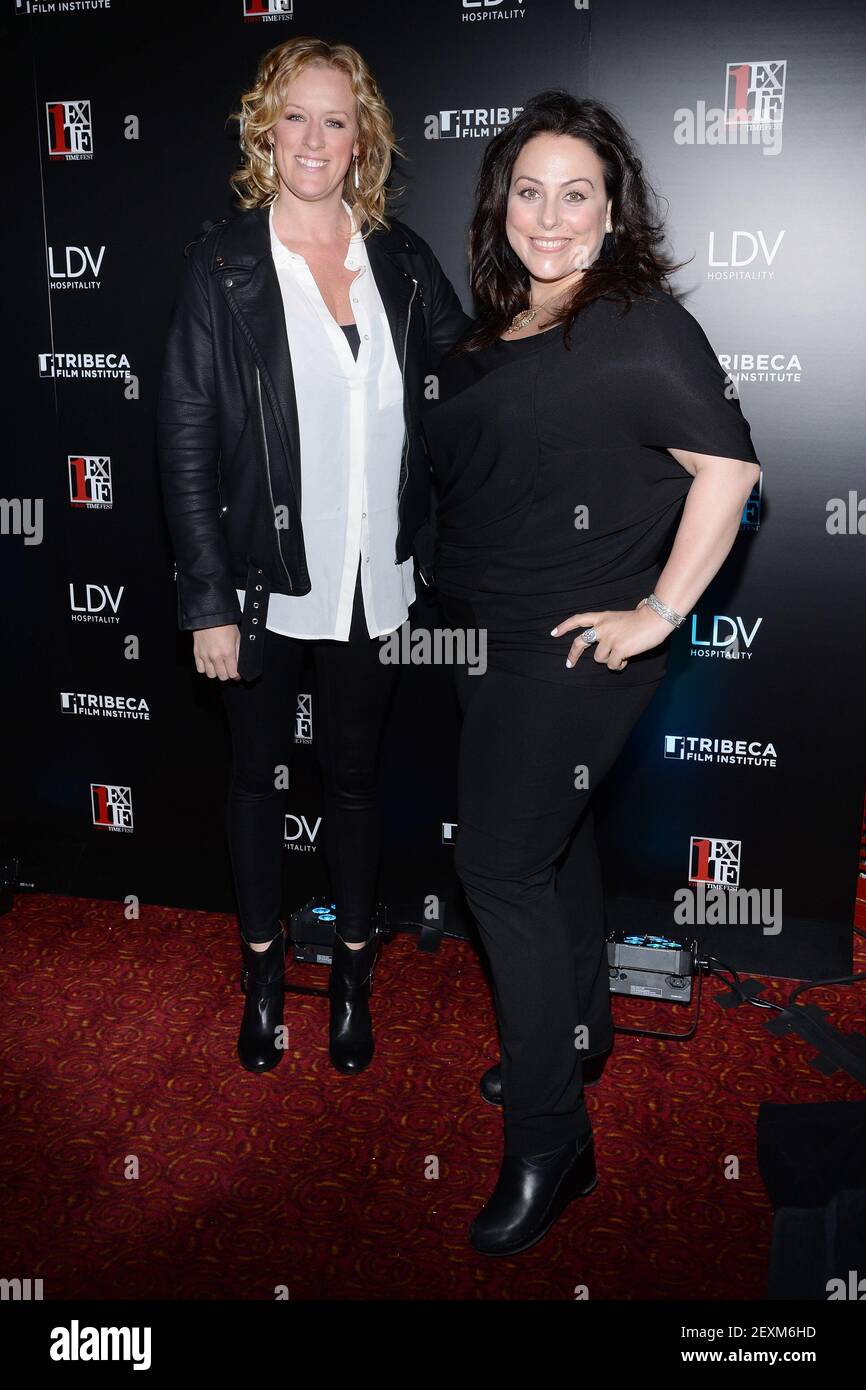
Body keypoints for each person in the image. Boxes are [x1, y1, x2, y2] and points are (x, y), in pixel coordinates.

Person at [421, 91, 762, 1256]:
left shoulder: (638, 322)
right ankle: (577, 1033)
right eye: (528, 190)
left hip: (568, 655)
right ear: (498, 204)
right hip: (481, 637)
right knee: (550, 850)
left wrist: (658, 612)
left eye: (577, 193)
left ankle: (548, 1138)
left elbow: (726, 471)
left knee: (499, 868)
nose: (549, 215)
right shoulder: (497, 327)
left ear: (611, 212)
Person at [156, 37, 470, 1079]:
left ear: (361, 139)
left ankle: (347, 978)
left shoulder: (402, 260)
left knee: (354, 782)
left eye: (335, 119)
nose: (313, 139)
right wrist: (206, 599)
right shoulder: (224, 265)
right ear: (265, 127)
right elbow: (188, 439)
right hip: (255, 583)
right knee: (253, 777)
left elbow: (463, 395)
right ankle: (258, 978)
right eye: (295, 115)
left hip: (373, 583)